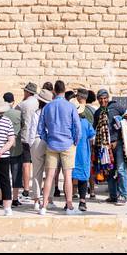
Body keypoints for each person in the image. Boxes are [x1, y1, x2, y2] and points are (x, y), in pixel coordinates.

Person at [37, 79, 81, 215]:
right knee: (67, 175)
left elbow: (40, 128)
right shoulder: (71, 107)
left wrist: (47, 138)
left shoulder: (47, 107)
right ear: (64, 90)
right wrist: (75, 140)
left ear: (54, 91)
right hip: (67, 143)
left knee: (49, 176)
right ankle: (69, 206)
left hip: (52, 143)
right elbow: (77, 127)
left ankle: (43, 205)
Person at [92, 89, 127, 204]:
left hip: (118, 143)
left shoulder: (116, 107)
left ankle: (123, 195)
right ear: (98, 100)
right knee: (109, 171)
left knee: (121, 169)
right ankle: (113, 196)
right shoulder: (97, 113)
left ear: (108, 98)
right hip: (105, 146)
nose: (103, 101)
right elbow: (95, 129)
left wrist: (119, 139)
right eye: (100, 99)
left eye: (105, 98)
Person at [0, 91, 26, 207]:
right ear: (13, 102)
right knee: (16, 174)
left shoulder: (0, 113)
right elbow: (23, 126)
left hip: (2, 146)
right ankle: (15, 198)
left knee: (1, 173)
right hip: (16, 147)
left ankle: (1, 198)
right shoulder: (18, 113)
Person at [16, 82, 41, 200]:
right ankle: (37, 188)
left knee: (26, 163)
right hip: (38, 136)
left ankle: (26, 189)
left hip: (26, 136)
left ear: (27, 92)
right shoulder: (39, 103)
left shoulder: (23, 104)